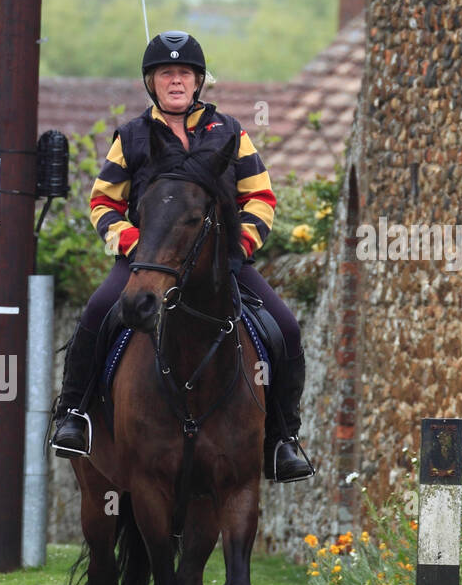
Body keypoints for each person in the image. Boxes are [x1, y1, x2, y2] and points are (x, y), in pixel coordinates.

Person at [49, 30, 313, 482]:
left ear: (198, 82)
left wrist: (240, 246)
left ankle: (283, 439)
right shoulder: (131, 137)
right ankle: (74, 415)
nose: (176, 81)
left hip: (220, 265)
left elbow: (262, 197)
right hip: (148, 264)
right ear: (151, 82)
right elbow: (102, 204)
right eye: (166, 73)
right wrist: (136, 246)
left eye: (185, 73)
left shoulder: (229, 132)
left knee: (285, 328)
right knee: (96, 313)